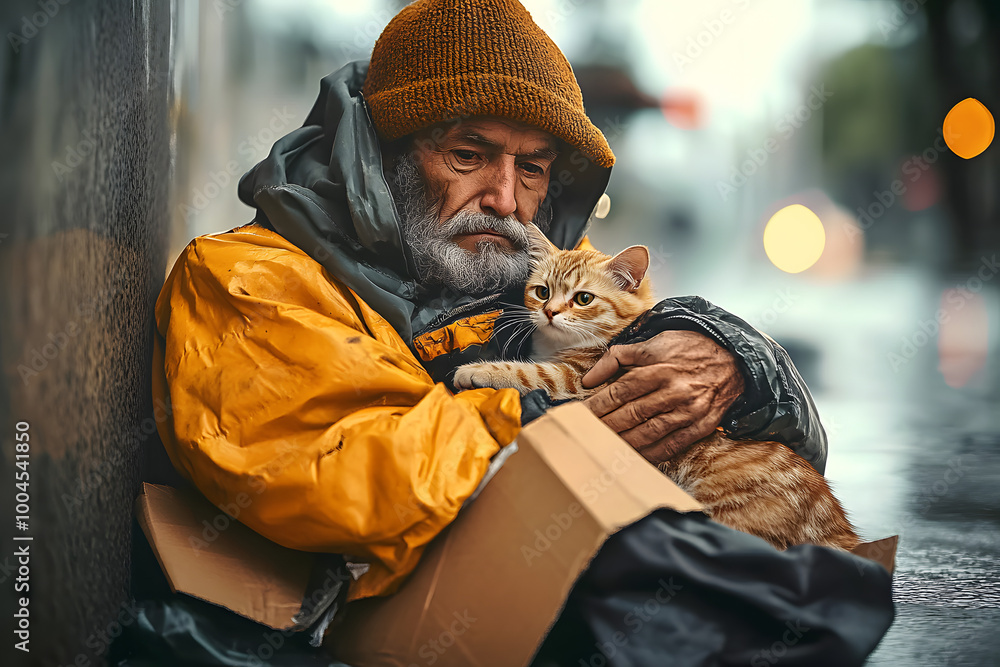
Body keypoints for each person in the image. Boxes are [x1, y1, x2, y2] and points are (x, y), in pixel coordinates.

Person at [150, 1, 890, 663]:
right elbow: (339, 472)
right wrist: (551, 416)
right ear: (384, 154)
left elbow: (789, 451)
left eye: (532, 168)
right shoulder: (244, 276)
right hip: (424, 607)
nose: (506, 198)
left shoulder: (541, 267)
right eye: (468, 155)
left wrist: (736, 360)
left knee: (782, 591)